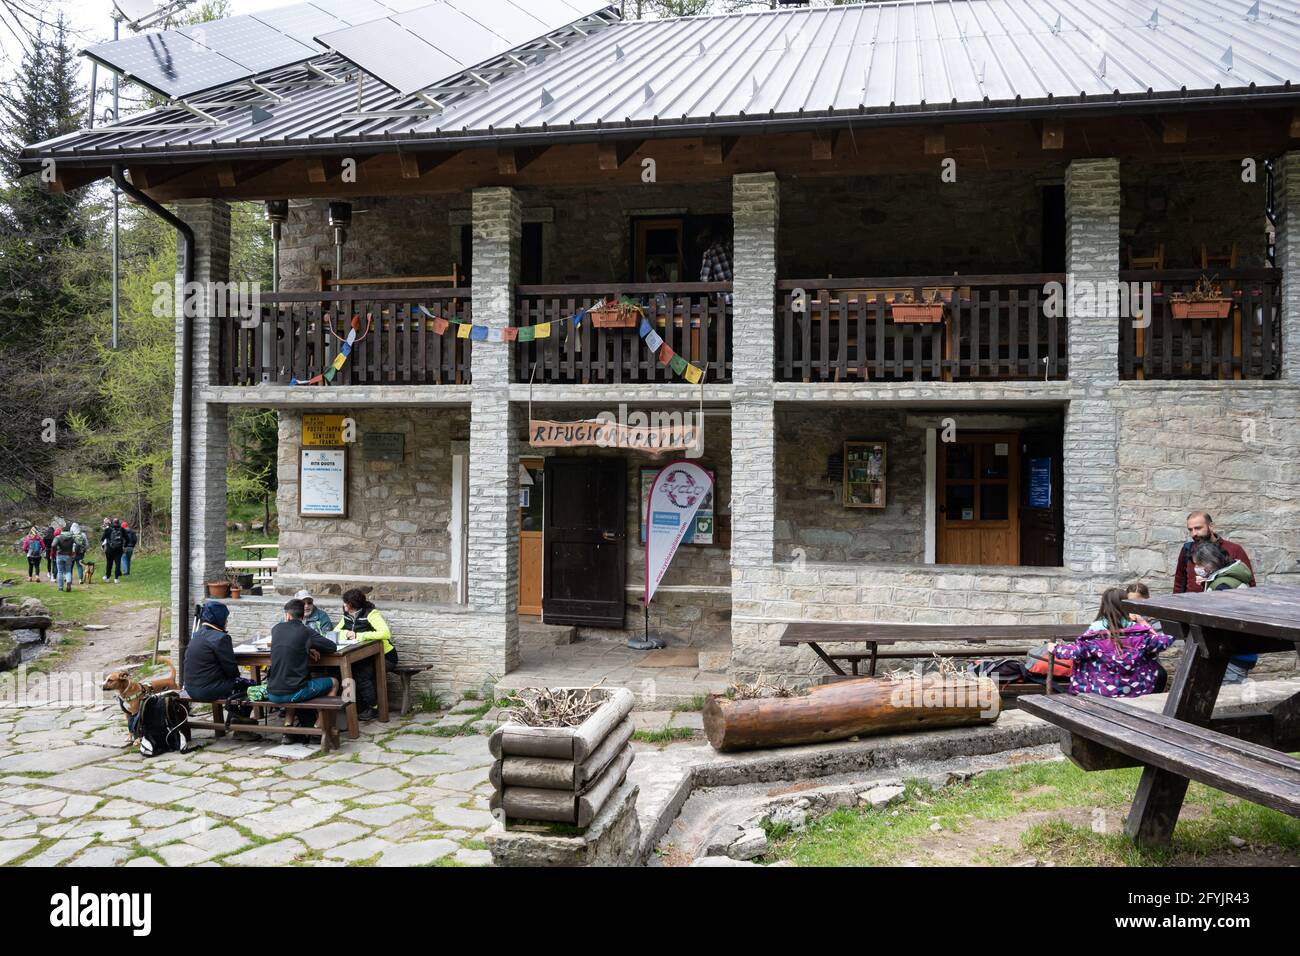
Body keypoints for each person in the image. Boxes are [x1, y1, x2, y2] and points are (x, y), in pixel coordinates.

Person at [1048, 587, 1175, 698]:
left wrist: (1054, 648)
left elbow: (1075, 651)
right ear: (1127, 606)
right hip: (1136, 690)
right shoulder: (1141, 635)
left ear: (1104, 606)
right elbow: (1163, 641)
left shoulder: (1093, 636)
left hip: (1100, 691)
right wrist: (1142, 622)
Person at [267, 598, 339, 745]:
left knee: (290, 682)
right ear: (303, 616)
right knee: (334, 682)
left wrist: (308, 648)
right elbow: (331, 647)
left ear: (287, 615)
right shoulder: (305, 631)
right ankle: (319, 729)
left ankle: (288, 729)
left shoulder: (276, 629)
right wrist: (311, 646)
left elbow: (289, 646)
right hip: (294, 693)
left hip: (272, 692)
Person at [1191, 539, 1258, 684]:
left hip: (1233, 652)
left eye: (1198, 564)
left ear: (1210, 563)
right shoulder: (1226, 579)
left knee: (1229, 696)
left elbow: (1223, 619)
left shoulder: (1223, 585)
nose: (1196, 568)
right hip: (1238, 650)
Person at [334, 588, 397, 720]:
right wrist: (346, 633)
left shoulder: (371, 614)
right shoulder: (346, 615)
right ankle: (353, 709)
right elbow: (336, 632)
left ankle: (372, 707)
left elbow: (385, 633)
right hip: (362, 657)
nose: (343, 605)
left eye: (345, 603)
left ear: (350, 604)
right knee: (344, 672)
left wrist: (359, 635)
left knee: (361, 675)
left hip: (384, 657)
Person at [183, 600, 251, 703]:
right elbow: (231, 670)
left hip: (190, 689)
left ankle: (235, 716)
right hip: (208, 690)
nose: (226, 622)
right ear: (219, 618)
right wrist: (239, 679)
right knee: (251, 686)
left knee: (238, 684)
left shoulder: (197, 635)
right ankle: (238, 717)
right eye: (225, 619)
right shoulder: (221, 638)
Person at [1173, 511, 1253, 594]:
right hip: (1189, 604)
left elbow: (1249, 582)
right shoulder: (1188, 549)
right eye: (1190, 530)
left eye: (1198, 528)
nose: (1194, 534)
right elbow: (1179, 583)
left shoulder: (1234, 549)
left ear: (1211, 526)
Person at [51, 526, 77, 592]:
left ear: (62, 531)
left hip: (59, 555)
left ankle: (60, 588)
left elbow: (53, 545)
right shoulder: (72, 537)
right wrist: (75, 552)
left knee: (60, 572)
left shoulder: (58, 537)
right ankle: (68, 581)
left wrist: (54, 552)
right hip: (68, 555)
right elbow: (79, 544)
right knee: (68, 571)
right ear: (69, 530)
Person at [101, 517, 125, 584]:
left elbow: (102, 538)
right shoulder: (122, 529)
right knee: (118, 564)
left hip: (109, 550)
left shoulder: (108, 530)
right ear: (119, 522)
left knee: (109, 563)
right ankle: (116, 578)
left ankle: (107, 577)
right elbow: (127, 538)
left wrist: (106, 541)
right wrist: (124, 546)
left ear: (112, 522)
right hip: (119, 549)